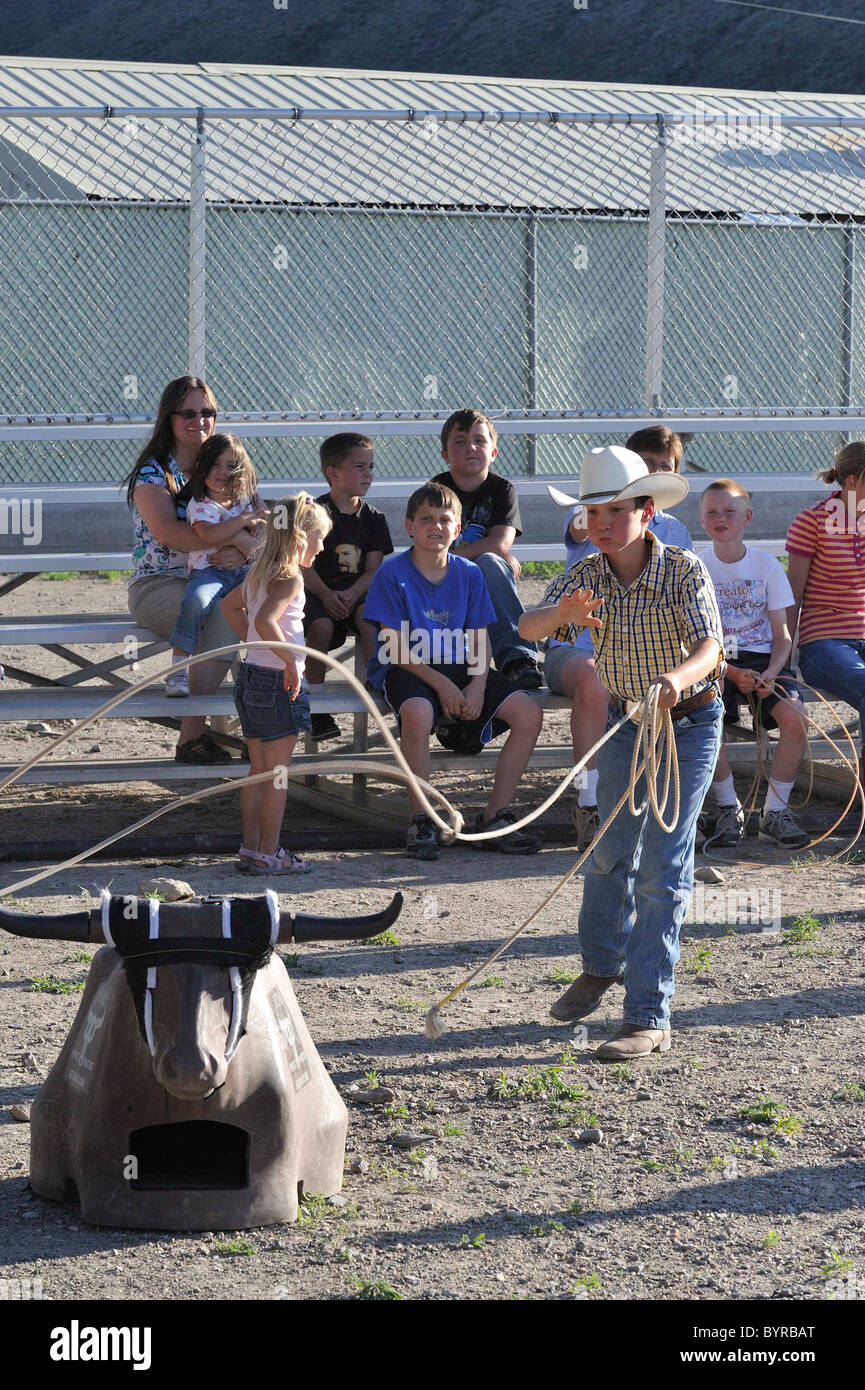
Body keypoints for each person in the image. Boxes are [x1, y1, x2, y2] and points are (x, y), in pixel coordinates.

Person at [519, 446, 723, 1060]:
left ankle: (647, 1014)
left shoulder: (683, 570)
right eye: (593, 512)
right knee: (608, 850)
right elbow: (529, 628)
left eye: (615, 509)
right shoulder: (586, 574)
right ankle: (603, 965)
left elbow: (712, 646)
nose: (602, 522)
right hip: (626, 721)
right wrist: (561, 614)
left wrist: (674, 681)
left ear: (645, 511)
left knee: (664, 862)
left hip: (685, 723)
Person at [364, 482, 543, 861]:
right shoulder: (391, 573)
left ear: (458, 529)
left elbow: (480, 638)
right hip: (409, 666)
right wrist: (442, 683)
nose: (436, 526)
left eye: (445, 519)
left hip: (461, 666)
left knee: (529, 712)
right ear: (409, 526)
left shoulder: (469, 572)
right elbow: (394, 647)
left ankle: (496, 817)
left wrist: (477, 684)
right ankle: (423, 819)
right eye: (426, 519)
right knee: (418, 712)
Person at [546, 426, 693, 850]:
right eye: (644, 466)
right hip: (579, 648)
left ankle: (678, 805)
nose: (601, 523)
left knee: (689, 684)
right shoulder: (589, 519)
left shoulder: (677, 535)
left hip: (641, 653)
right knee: (596, 678)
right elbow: (582, 520)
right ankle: (590, 803)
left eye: (661, 468)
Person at [125, 376, 256, 764]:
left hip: (221, 577)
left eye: (207, 412)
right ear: (169, 417)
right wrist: (237, 543)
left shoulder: (228, 463)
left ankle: (262, 725)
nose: (199, 420)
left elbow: (262, 525)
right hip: (160, 584)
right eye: (188, 412)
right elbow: (171, 535)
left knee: (267, 610)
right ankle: (192, 737)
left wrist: (248, 551)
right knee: (225, 620)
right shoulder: (154, 474)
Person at [221, 493, 332, 875]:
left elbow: (229, 607)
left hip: (251, 676)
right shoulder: (290, 577)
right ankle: (270, 852)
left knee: (258, 770)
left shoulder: (260, 570)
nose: (322, 547)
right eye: (319, 539)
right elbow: (267, 622)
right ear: (301, 538)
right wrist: (289, 662)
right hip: (276, 683)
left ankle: (251, 848)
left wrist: (250, 645)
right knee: (278, 774)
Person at [700, 479, 809, 849]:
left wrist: (771, 674)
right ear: (701, 519)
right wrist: (730, 671)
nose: (720, 519)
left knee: (796, 717)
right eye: (712, 512)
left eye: (729, 511)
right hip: (714, 658)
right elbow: (694, 637)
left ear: (747, 517)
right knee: (704, 716)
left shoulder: (766, 565)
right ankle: (729, 809)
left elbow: (783, 636)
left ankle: (775, 812)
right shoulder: (696, 567)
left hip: (764, 660)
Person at [431, 409, 542, 690]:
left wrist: (491, 551)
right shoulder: (435, 490)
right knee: (486, 561)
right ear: (445, 454)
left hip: (481, 579)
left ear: (493, 452)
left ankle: (517, 658)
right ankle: (445, 661)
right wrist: (486, 550)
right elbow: (429, 548)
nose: (471, 447)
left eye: (480, 441)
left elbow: (499, 543)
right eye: (460, 441)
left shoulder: (502, 490)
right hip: (444, 579)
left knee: (491, 563)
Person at [302, 433, 393, 742]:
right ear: (334, 473)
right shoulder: (312, 513)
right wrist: (326, 594)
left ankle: (378, 686)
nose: (368, 474)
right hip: (318, 591)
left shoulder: (374, 519)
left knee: (369, 615)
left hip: (356, 592)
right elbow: (303, 564)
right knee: (322, 626)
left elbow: (373, 569)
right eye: (359, 466)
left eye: (371, 466)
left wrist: (352, 594)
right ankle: (314, 704)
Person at [165, 433, 268, 696]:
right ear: (201, 467)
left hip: (245, 571)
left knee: (269, 600)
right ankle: (178, 669)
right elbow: (208, 535)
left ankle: (265, 665)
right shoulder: (201, 504)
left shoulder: (247, 500)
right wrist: (244, 524)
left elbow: (266, 538)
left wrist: (245, 548)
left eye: (231, 465)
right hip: (209, 573)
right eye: (214, 464)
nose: (222, 472)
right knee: (196, 601)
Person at [787, 441, 865, 782]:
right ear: (851, 481)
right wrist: (783, 659)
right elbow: (793, 594)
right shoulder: (813, 521)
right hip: (825, 643)